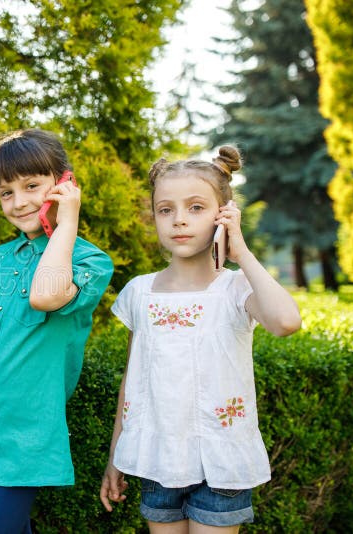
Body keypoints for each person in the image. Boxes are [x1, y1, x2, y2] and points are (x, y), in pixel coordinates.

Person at [99, 146, 302, 533]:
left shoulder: (236, 289)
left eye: (195, 207)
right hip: (158, 461)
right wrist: (115, 458)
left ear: (223, 214)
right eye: (165, 209)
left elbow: (286, 321)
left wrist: (240, 251)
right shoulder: (139, 293)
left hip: (221, 463)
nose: (178, 220)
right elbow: (133, 385)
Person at [0, 129, 114, 532]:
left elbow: (45, 297)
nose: (19, 202)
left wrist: (67, 222)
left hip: (25, 445)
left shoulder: (90, 259)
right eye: (6, 192)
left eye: (32, 186)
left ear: (63, 183)